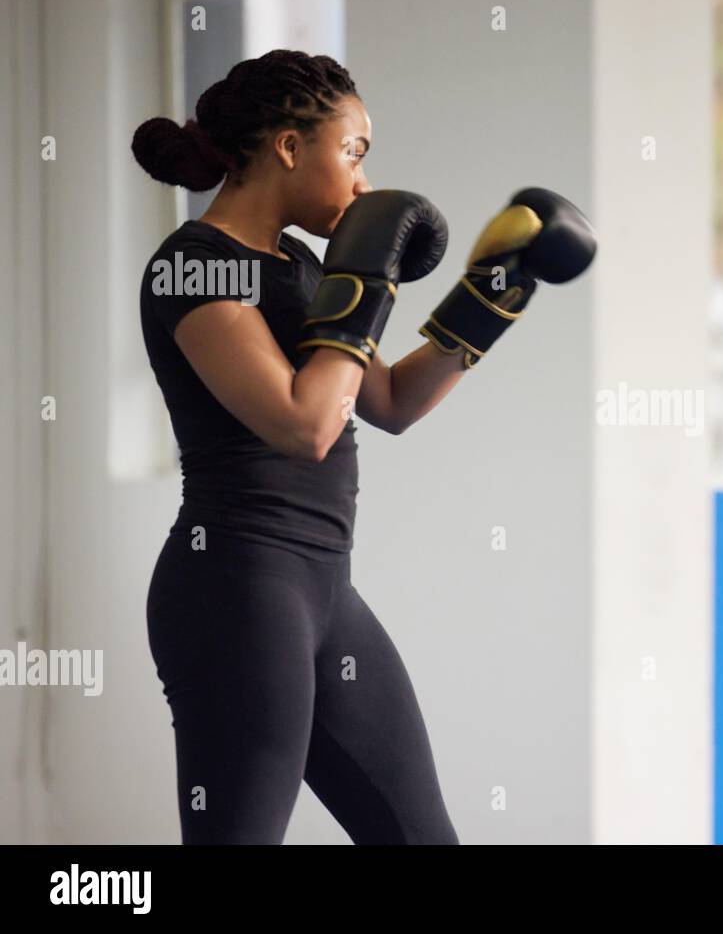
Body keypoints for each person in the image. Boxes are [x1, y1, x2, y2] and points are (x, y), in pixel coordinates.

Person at [132, 49, 594, 844]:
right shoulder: (192, 266)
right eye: (353, 152)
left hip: (325, 592)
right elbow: (303, 423)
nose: (363, 181)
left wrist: (495, 290)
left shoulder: (303, 265)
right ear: (287, 147)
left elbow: (387, 402)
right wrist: (366, 278)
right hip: (235, 588)